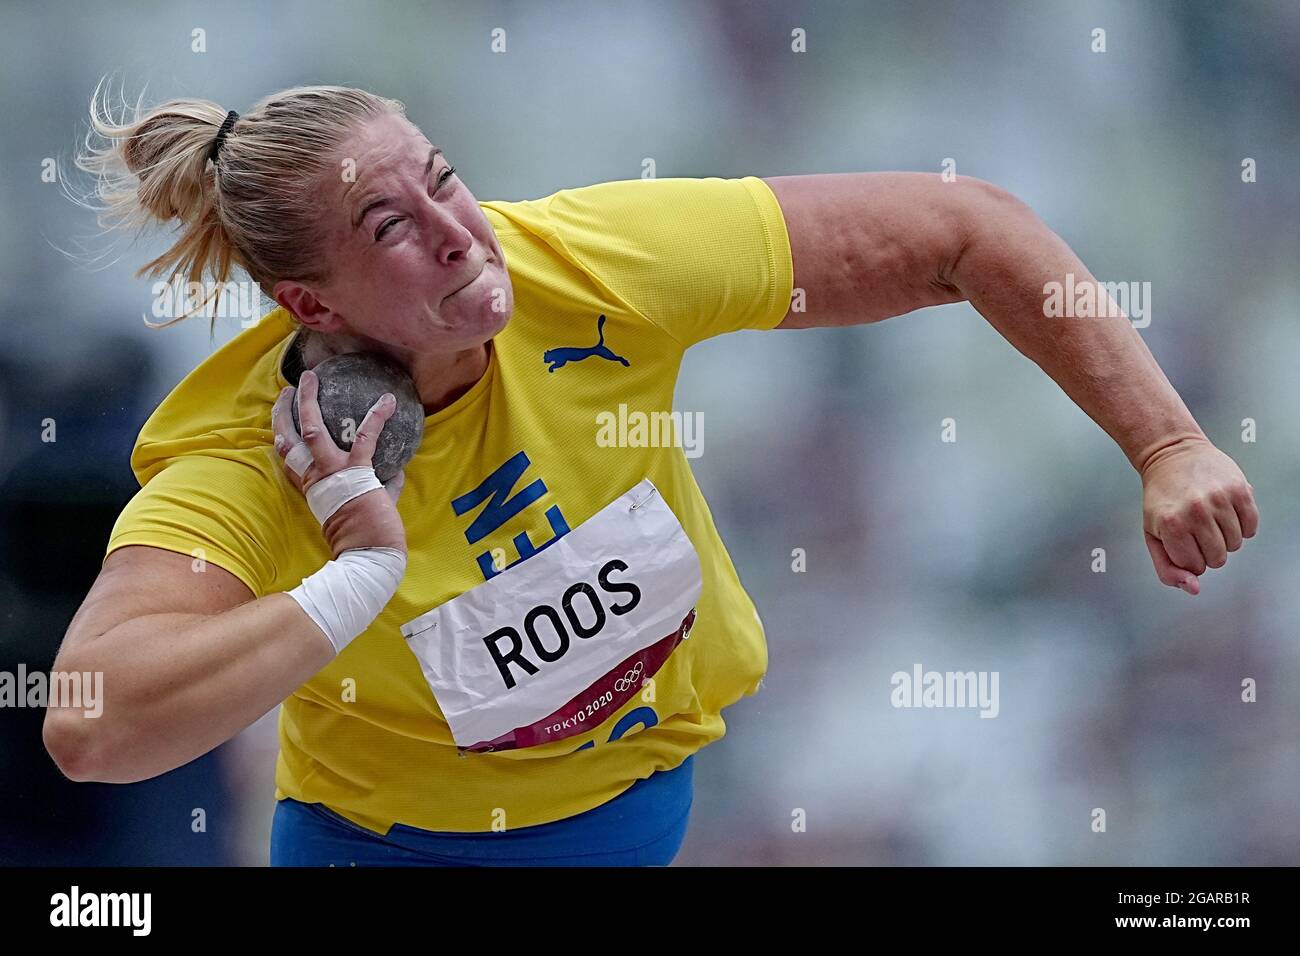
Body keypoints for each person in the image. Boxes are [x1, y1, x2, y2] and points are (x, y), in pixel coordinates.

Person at [44, 82, 1259, 867]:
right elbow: (91, 723)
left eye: (444, 177)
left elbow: (966, 228)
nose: (459, 230)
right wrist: (357, 575)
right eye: (389, 227)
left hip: (650, 818)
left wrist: (1164, 444)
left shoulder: (588, 263)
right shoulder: (260, 454)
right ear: (307, 302)